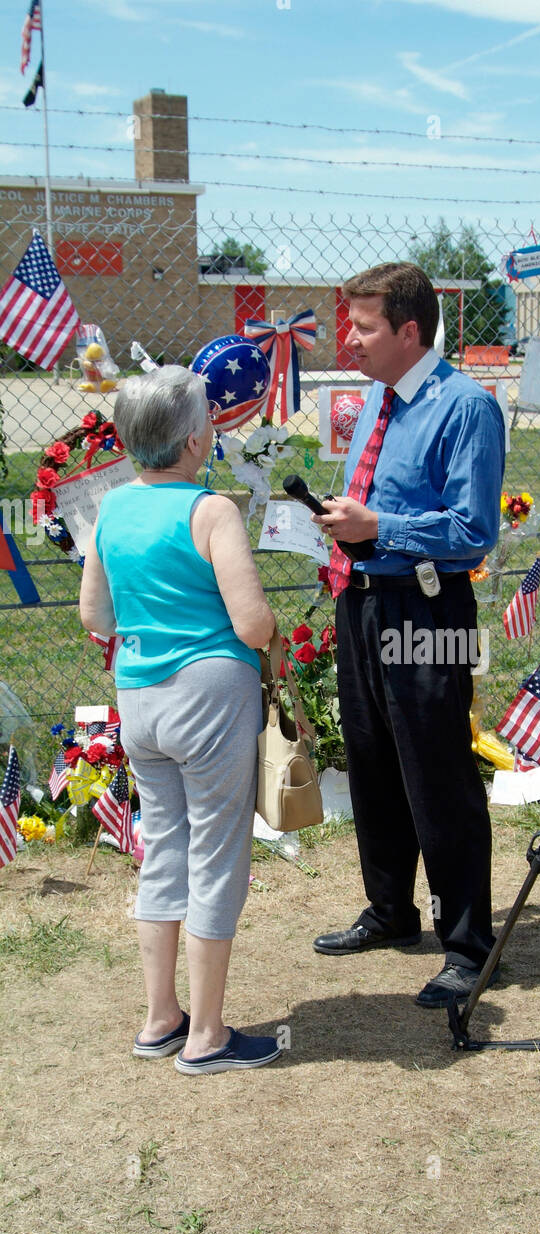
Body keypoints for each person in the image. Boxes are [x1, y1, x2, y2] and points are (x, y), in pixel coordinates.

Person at [310, 262, 505, 1007]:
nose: (348, 340)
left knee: (437, 769)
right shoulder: (377, 402)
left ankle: (469, 944)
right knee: (371, 757)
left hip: (429, 612)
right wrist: (345, 523)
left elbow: (472, 531)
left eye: (363, 327)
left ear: (409, 330)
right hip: (362, 601)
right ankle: (392, 910)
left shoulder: (466, 408)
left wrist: (380, 527)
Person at [79, 365, 281, 1075]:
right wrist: (273, 627)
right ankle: (209, 1035)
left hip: (140, 699)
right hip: (209, 695)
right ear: (198, 438)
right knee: (218, 856)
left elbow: (94, 615)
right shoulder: (211, 511)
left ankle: (161, 1015)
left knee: (162, 847)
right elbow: (252, 623)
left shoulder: (110, 509)